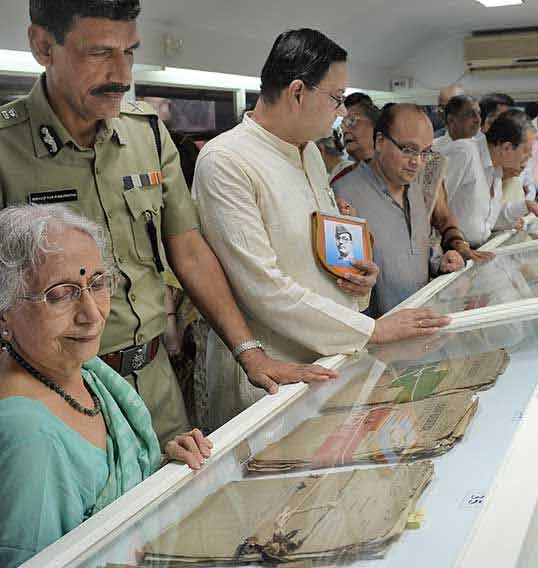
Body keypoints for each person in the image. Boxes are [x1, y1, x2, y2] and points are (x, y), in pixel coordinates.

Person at [0, 0, 331, 445]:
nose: (122, 74)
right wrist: (4, 420)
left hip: (156, 384)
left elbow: (189, 249)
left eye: (129, 52)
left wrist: (249, 353)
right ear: (43, 46)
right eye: (100, 53)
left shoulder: (146, 133)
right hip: (62, 398)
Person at [192, 29, 451, 429]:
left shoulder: (309, 152)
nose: (343, 112)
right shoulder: (227, 161)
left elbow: (318, 247)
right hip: (273, 373)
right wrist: (371, 329)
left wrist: (359, 275)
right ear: (297, 92)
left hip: (329, 355)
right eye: (336, 98)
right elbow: (262, 287)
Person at [0, 205, 211, 568]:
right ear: (1, 315)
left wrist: (161, 470)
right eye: (60, 295)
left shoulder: (81, 371)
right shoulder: (25, 434)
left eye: (97, 283)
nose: (92, 313)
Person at [334, 103, 466, 316]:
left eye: (425, 153)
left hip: (420, 325)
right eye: (408, 150)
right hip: (378, 339)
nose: (417, 162)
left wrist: (440, 263)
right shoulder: (344, 195)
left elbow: (415, 248)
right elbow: (343, 286)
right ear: (379, 142)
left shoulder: (414, 187)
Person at [437, 109, 538, 247]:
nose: (529, 156)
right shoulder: (464, 153)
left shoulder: (497, 171)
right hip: (447, 253)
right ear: (506, 148)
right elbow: (433, 204)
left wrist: (526, 206)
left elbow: (486, 222)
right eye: (526, 150)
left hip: (471, 253)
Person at [337, 99, 380, 178]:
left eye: (351, 121)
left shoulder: (396, 173)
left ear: (375, 126)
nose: (344, 130)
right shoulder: (341, 176)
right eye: (342, 125)